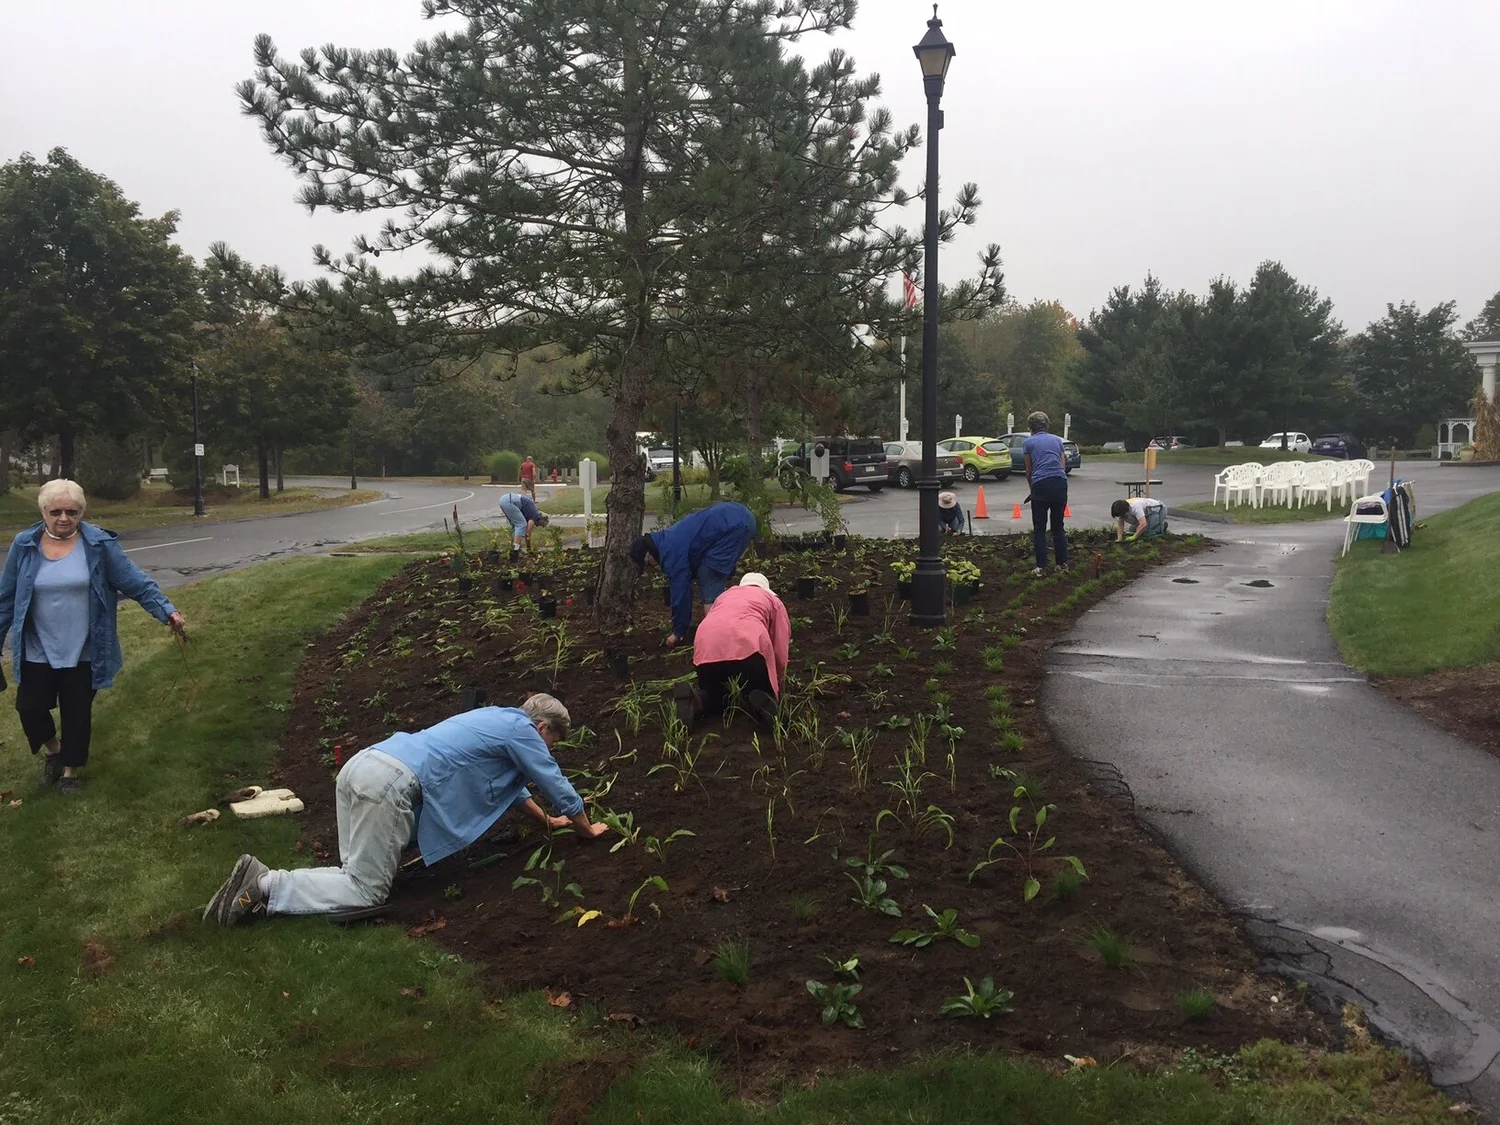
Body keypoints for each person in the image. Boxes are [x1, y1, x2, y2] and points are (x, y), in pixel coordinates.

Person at [203, 693, 608, 926]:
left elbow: (514, 793)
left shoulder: (493, 718)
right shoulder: (524, 732)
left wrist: (549, 822)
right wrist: (584, 828)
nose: (549, 749)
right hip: (392, 783)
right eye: (553, 741)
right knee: (366, 891)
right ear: (543, 729)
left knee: (354, 876)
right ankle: (265, 886)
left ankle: (259, 884)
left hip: (365, 764)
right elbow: (554, 782)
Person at [0, 480, 187, 795]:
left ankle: (70, 774)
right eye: (55, 511)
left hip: (86, 646)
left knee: (77, 711)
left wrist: (167, 611)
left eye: (71, 512)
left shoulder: (98, 544)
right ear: (43, 511)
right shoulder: (25, 544)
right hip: (37, 646)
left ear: (81, 512)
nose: (63, 518)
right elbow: (6, 598)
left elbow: (135, 581)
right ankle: (55, 752)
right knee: (29, 707)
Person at [629, 501, 758, 646]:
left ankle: (717, 638)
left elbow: (681, 592)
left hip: (735, 525)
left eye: (648, 563)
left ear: (650, 553)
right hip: (739, 516)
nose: (652, 566)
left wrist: (678, 632)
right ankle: (727, 622)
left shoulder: (669, 552)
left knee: (708, 574)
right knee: (711, 571)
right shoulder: (667, 539)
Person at [676, 573, 790, 727]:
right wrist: (778, 684)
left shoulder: (724, 596)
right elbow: (780, 646)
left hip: (706, 641)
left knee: (716, 695)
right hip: (748, 644)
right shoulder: (772, 600)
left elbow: (719, 625)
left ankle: (696, 701)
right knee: (756, 688)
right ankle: (762, 698)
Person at [1021, 411, 1069, 577]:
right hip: (1059, 483)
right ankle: (1062, 563)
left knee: (1040, 527)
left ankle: (1041, 566)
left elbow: (1029, 470)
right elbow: (1062, 466)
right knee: (1058, 525)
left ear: (1030, 427)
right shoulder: (1057, 441)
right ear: (1047, 425)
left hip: (1040, 484)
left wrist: (1032, 489)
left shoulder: (1028, 443)